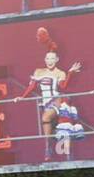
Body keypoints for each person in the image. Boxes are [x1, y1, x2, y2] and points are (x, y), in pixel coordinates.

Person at [16, 29, 84, 161]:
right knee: (57, 128)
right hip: (45, 102)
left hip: (58, 99)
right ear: (44, 59)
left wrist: (70, 72)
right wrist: (22, 97)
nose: (49, 60)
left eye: (52, 58)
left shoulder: (60, 72)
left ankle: (58, 151)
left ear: (57, 59)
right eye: (47, 58)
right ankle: (54, 149)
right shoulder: (39, 71)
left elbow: (63, 87)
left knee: (50, 118)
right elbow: (32, 87)